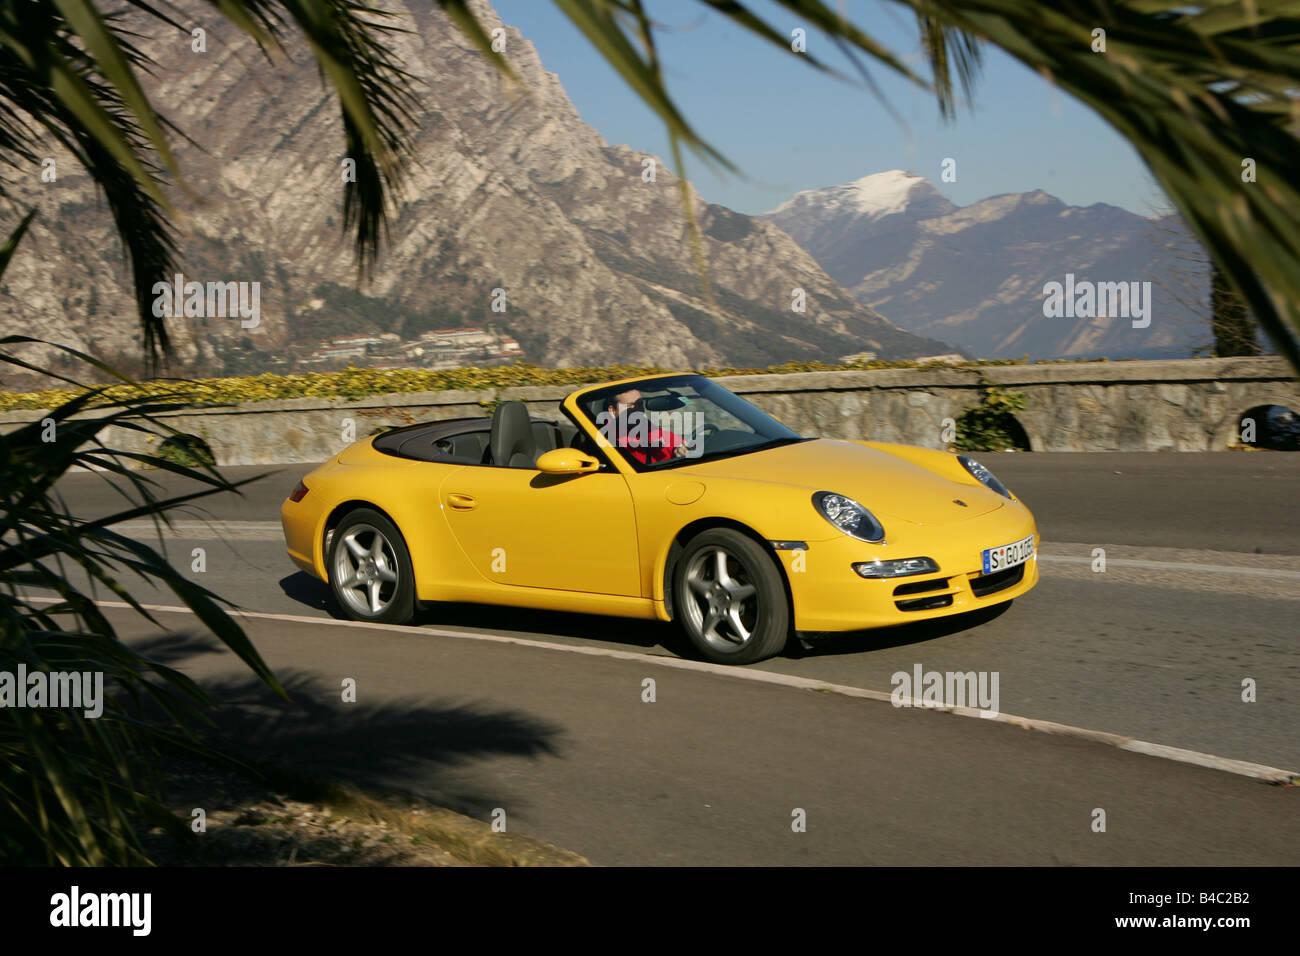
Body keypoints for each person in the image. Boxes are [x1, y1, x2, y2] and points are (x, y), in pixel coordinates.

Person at [603, 389, 688, 465]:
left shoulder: (648, 428)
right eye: (629, 406)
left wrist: (679, 449)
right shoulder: (605, 440)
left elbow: (671, 441)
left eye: (639, 404)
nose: (636, 409)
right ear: (612, 410)